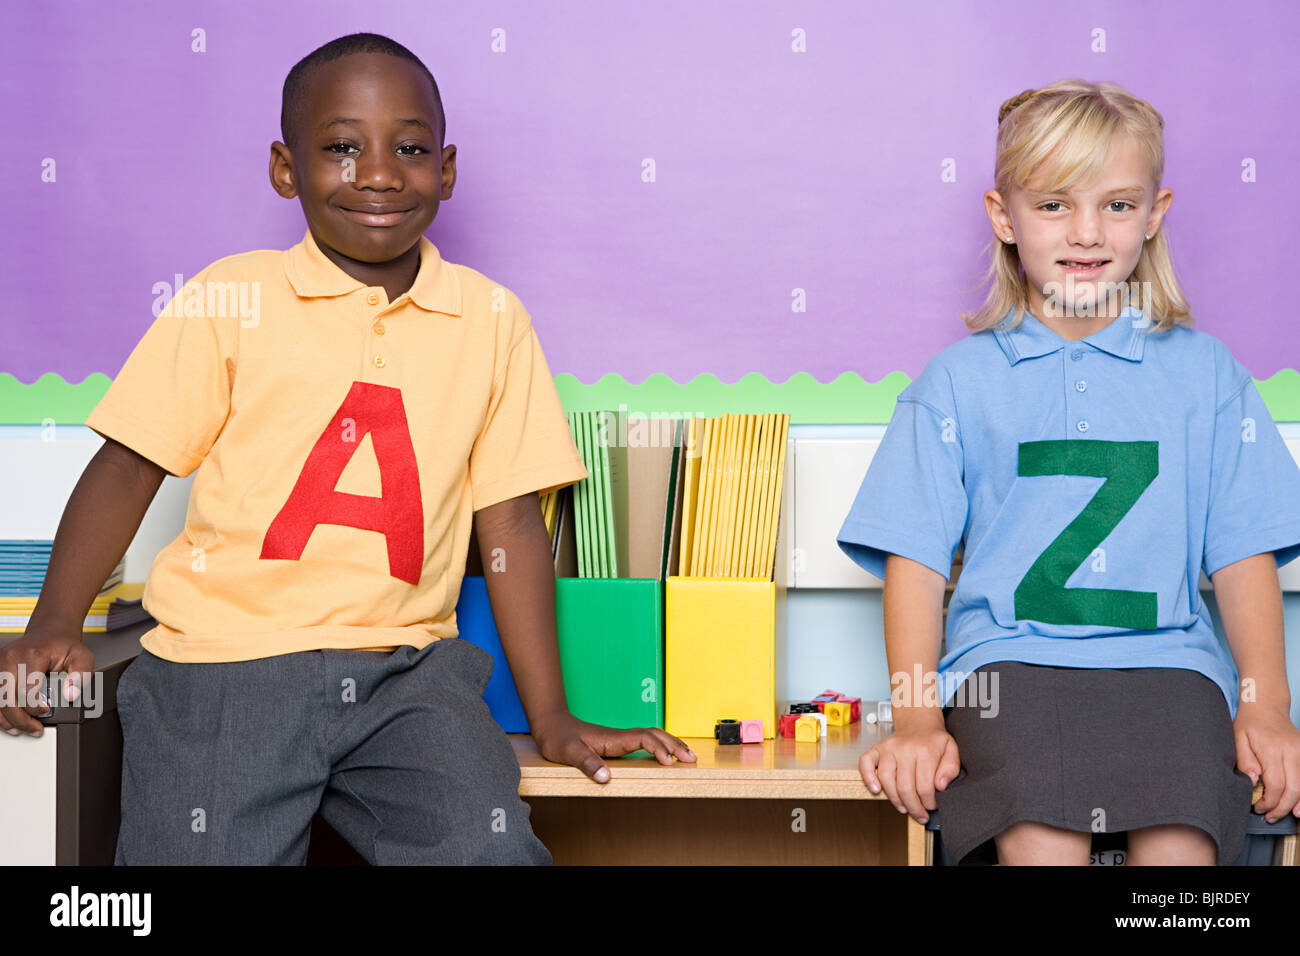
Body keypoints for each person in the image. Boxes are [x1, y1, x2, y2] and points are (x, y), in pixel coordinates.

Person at [0, 32, 694, 865]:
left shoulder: (491, 319)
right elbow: (128, 463)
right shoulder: (232, 295)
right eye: (340, 148)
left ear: (447, 169)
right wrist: (53, 623)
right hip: (225, 666)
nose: (378, 173)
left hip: (408, 676)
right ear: (285, 169)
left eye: (410, 148)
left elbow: (507, 523)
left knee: (489, 852)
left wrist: (551, 714)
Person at [835, 79, 1300, 865]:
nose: (1087, 232)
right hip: (1008, 668)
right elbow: (912, 562)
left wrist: (1267, 708)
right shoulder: (956, 382)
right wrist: (916, 720)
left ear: (1154, 213)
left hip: (1170, 667)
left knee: (1186, 841)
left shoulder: (1208, 375)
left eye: (1118, 205)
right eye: (1054, 204)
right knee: (1040, 834)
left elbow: (1241, 552)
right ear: (1002, 216)